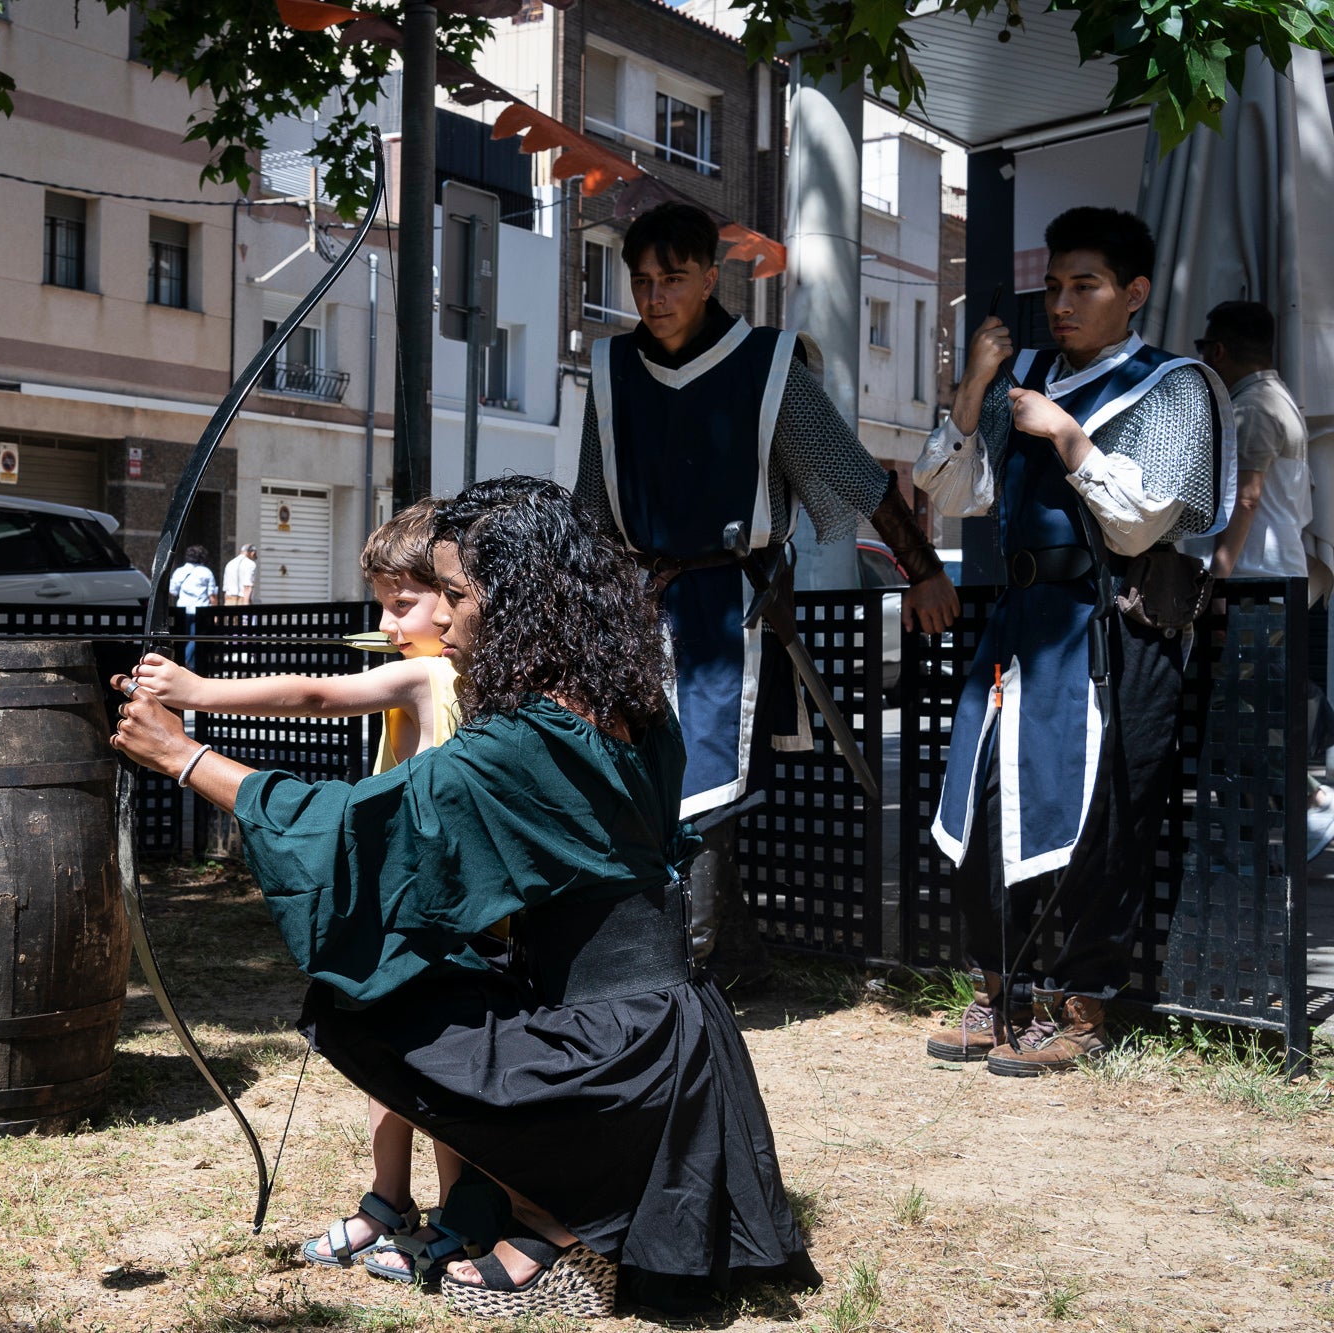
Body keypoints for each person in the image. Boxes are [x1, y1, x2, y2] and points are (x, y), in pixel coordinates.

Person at [112, 478, 816, 1319]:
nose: (439, 617)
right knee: (412, 969)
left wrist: (184, 757)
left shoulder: (526, 743)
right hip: (680, 1033)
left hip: (612, 1054)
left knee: (362, 1001)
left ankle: (557, 1217)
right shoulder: (632, 703)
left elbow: (349, 827)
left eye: (455, 593)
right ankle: (542, 1196)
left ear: (520, 603)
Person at [564, 202, 957, 985]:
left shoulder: (767, 365)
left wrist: (925, 569)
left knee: (705, 781)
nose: (655, 297)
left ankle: (685, 972)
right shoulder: (611, 371)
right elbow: (590, 515)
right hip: (640, 604)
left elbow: (854, 474)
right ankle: (734, 957)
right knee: (646, 779)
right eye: (642, 281)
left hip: (729, 607)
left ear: (712, 278)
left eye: (673, 278)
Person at [913, 206, 1234, 1075]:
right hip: (1023, 623)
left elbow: (1140, 524)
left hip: (1117, 624)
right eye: (1053, 286)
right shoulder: (1020, 376)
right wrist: (973, 391)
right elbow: (953, 495)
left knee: (1103, 817)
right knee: (986, 798)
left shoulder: (1173, 385)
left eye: (1084, 286)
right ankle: (999, 990)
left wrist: (1065, 431)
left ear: (1133, 293)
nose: (1060, 303)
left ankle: (1083, 1004)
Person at [131, 502, 473, 1284]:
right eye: (382, 605)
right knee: (387, 1056)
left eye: (404, 604)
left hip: (438, 909)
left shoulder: (432, 672)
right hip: (404, 897)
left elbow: (318, 694)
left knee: (436, 1066)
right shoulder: (433, 669)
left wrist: (195, 691)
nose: (387, 624)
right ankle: (391, 1200)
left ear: (452, 599)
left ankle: (455, 1219)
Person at [1194, 300, 1334, 857]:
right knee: (1257, 707)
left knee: (1239, 711)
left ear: (1219, 350)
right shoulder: (1284, 401)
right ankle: (1278, 824)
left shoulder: (1252, 407)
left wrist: (1218, 579)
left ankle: (1312, 803)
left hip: (1255, 582)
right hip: (1283, 578)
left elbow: (1248, 497)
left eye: (1205, 351)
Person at [166, 544, 218, 668]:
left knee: (184, 638)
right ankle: (187, 663)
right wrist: (215, 612)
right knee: (196, 638)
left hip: (182, 610)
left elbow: (172, 591)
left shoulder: (179, 571)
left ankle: (187, 665)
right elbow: (212, 595)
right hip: (200, 610)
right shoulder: (206, 572)